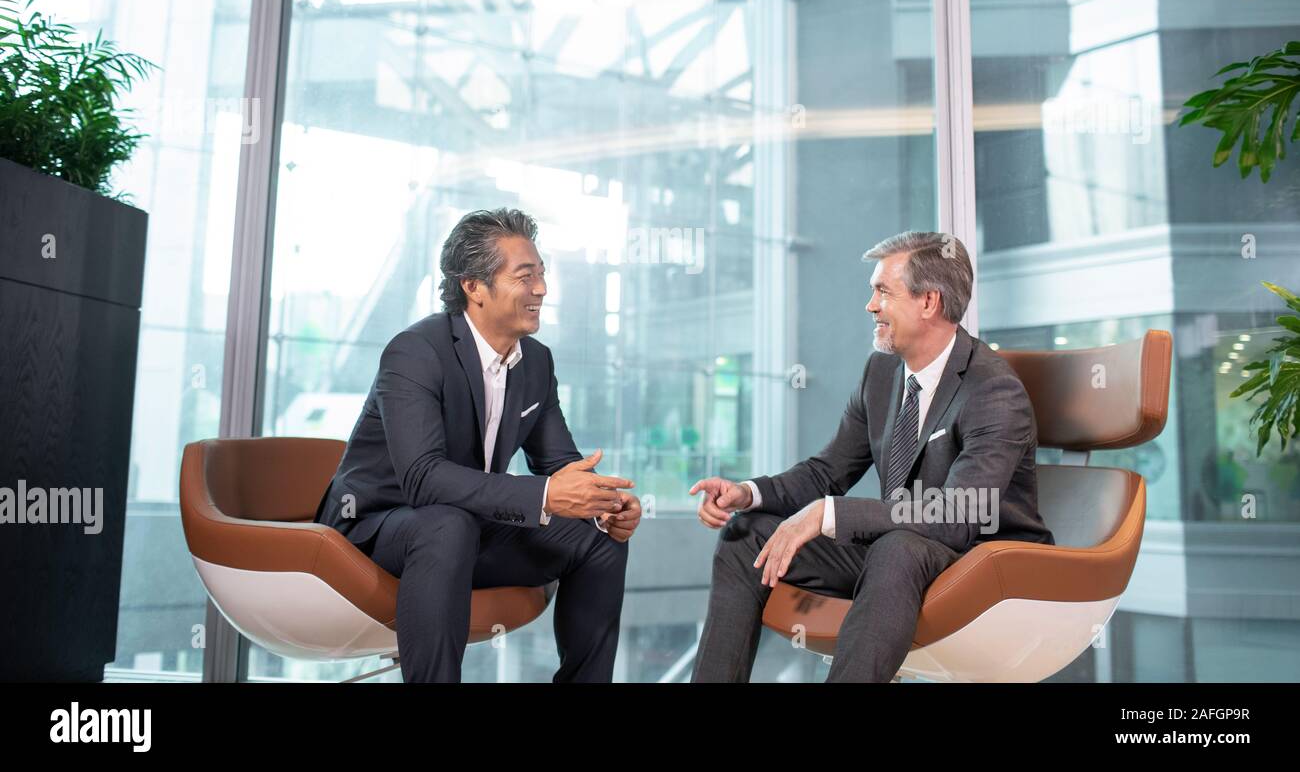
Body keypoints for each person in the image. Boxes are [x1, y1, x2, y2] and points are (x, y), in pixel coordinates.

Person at [689, 230, 1053, 682]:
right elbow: (828, 472)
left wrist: (829, 514)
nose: (871, 306)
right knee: (747, 535)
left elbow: (960, 515)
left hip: (979, 561)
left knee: (898, 548)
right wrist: (748, 493)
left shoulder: (993, 390)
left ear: (929, 302)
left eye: (883, 291)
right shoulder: (881, 372)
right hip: (897, 553)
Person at [315, 208, 641, 682]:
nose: (542, 290)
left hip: (467, 528)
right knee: (447, 524)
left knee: (598, 537)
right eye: (525, 276)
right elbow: (423, 478)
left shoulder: (535, 361)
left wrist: (601, 503)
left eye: (542, 274)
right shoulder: (415, 352)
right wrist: (545, 496)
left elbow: (558, 462)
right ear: (473, 286)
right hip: (374, 531)